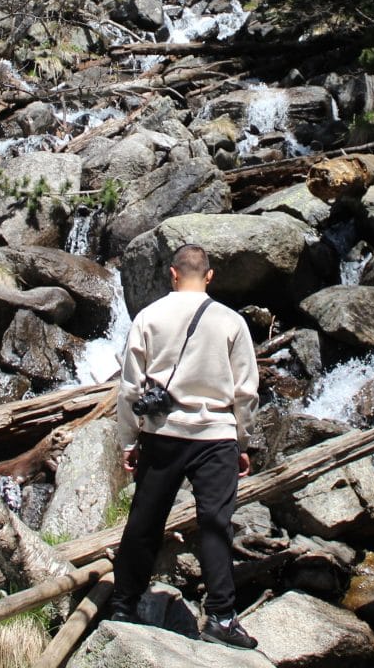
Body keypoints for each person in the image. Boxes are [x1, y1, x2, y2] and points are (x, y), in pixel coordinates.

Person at [108, 244, 260, 649]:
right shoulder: (231, 321)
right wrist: (242, 440)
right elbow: (246, 391)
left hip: (162, 433)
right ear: (209, 276)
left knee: (144, 522)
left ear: (173, 274)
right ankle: (222, 618)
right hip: (216, 436)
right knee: (215, 525)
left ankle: (123, 605)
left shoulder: (149, 316)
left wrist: (128, 438)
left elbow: (128, 388)